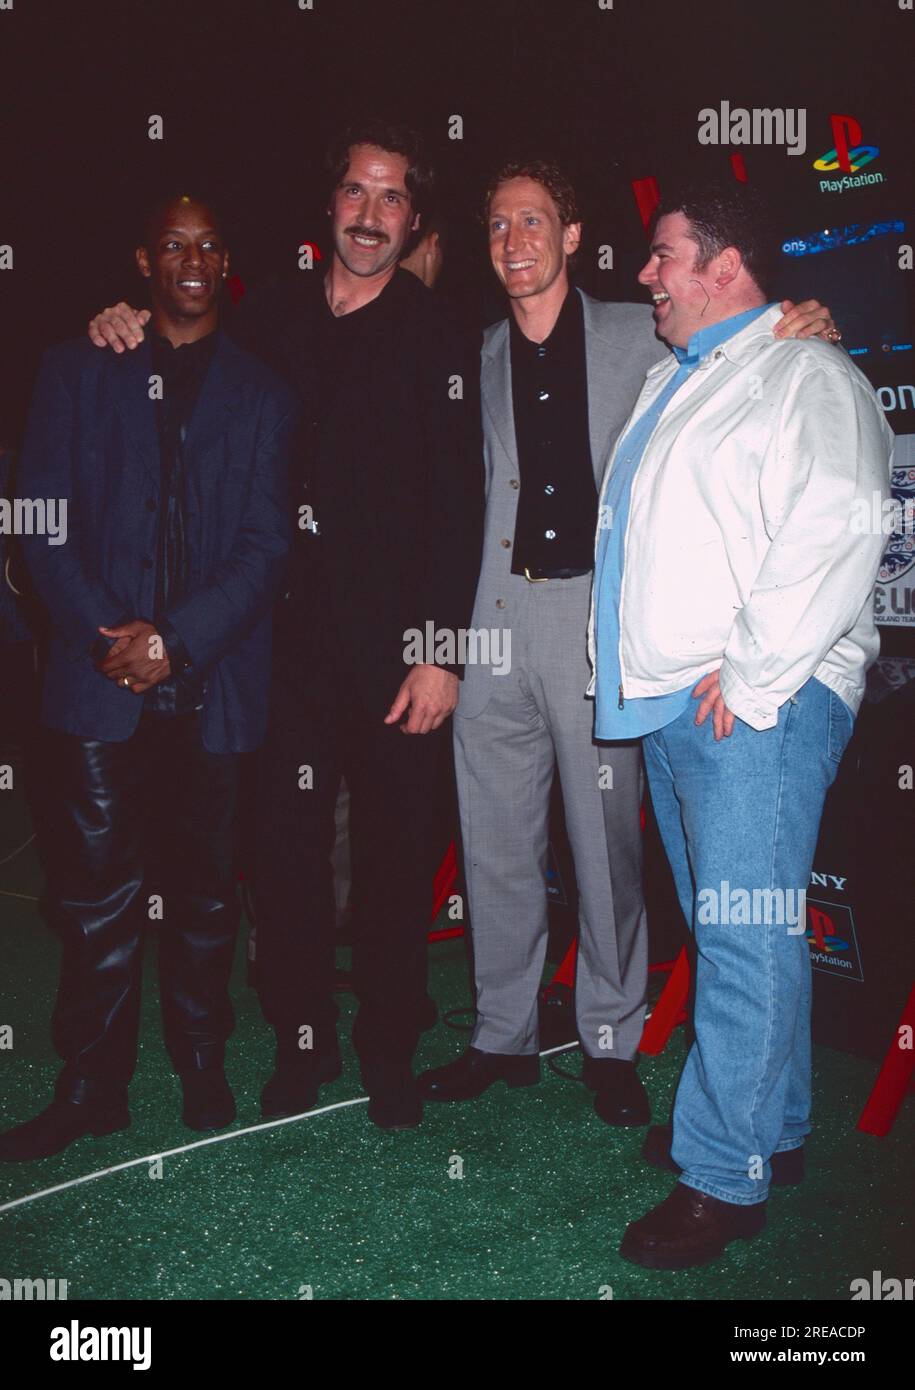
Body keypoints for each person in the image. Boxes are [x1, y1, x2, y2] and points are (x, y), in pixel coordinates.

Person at [418, 158, 839, 1127]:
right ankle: (501, 1032)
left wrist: (801, 321)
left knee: (604, 845)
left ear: (571, 235)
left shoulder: (641, 330)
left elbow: (739, 340)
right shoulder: (468, 355)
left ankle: (609, 1036)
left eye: (533, 220)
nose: (514, 241)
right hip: (490, 621)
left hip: (598, 625)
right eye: (497, 225)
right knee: (493, 842)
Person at [87, 121, 483, 1131]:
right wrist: (118, 320)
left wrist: (442, 653)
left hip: (398, 656)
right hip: (278, 653)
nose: (370, 214)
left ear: (413, 220)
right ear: (330, 203)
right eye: (356, 191)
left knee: (396, 863)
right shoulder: (266, 317)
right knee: (287, 859)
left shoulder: (441, 334)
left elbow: (461, 505)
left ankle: (388, 1050)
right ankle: (301, 1043)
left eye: (392, 197)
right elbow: (178, 347)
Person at [587, 177, 893, 1267]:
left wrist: (756, 676)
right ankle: (774, 1130)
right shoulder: (688, 374)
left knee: (740, 939)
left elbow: (841, 521)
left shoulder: (807, 371)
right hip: (687, 699)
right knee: (743, 932)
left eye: (663, 254)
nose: (645, 273)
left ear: (725, 266)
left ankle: (723, 1177)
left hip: (754, 701)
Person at [0, 196, 296, 1161]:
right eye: (173, 243)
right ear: (143, 260)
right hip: (99, 683)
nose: (192, 258)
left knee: (205, 895)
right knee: (95, 898)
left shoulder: (263, 392)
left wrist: (172, 640)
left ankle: (202, 1061)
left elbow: (265, 547)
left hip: (211, 683)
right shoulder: (77, 368)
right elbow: (41, 521)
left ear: (227, 261)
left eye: (209, 244)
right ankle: (92, 1085)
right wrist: (108, 638)